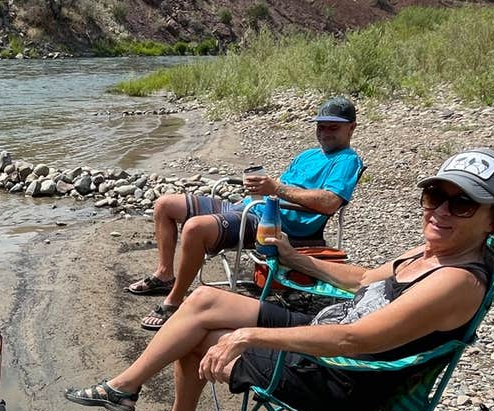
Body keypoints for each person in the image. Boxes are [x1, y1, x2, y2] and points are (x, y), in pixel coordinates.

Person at [67, 147, 494, 411]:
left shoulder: (457, 280)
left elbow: (355, 341)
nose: (440, 211)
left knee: (204, 335)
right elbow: (364, 279)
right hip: (329, 334)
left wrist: (246, 336)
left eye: (462, 205)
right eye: (435, 195)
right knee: (204, 302)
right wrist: (295, 259)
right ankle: (124, 389)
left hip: (343, 379)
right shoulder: (431, 251)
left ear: (492, 220)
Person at [126, 96, 364, 332]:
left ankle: (174, 302)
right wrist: (260, 188)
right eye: (320, 127)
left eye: (333, 127)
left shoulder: (347, 160)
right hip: (253, 206)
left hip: (273, 223)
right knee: (165, 204)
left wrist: (275, 189)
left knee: (195, 228)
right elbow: (282, 185)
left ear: (351, 127)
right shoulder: (308, 155)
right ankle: (165, 274)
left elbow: (330, 202)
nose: (324, 133)